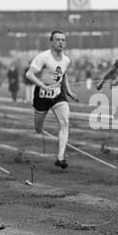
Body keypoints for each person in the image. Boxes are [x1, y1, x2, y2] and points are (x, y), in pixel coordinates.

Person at [27, 30, 79, 169]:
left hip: (58, 94)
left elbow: (63, 75)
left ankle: (60, 157)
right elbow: (30, 74)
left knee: (65, 122)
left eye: (63, 40)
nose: (61, 42)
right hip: (42, 95)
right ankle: (41, 130)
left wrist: (69, 91)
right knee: (38, 128)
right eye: (57, 39)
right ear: (51, 41)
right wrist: (42, 85)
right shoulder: (43, 57)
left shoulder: (66, 60)